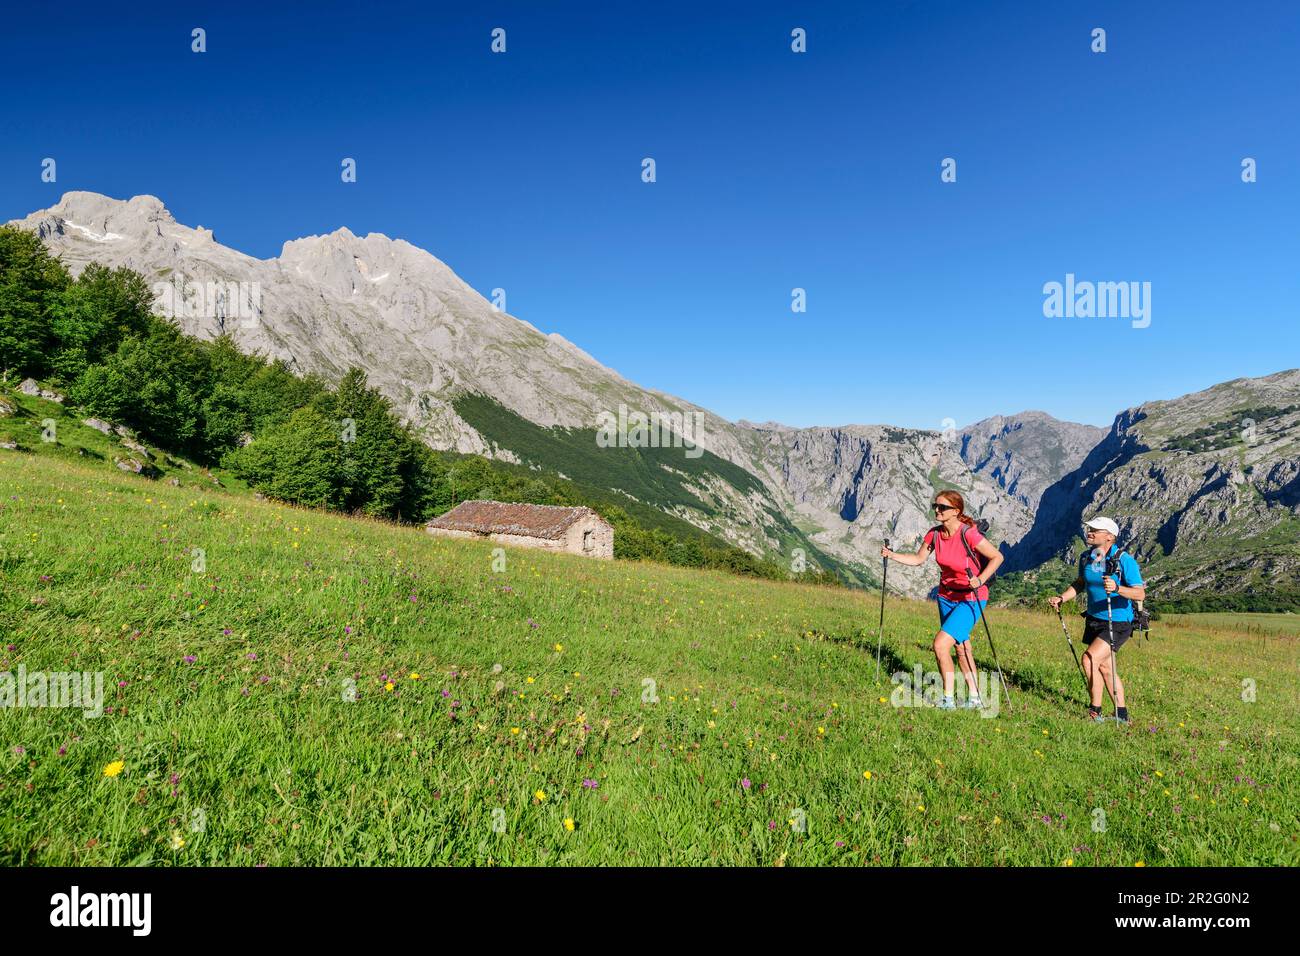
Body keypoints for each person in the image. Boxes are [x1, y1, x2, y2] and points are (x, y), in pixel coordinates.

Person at [881, 490, 1004, 709]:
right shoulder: (935, 534)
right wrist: (892, 555)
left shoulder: (969, 534)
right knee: (961, 646)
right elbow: (919, 559)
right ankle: (975, 698)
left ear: (956, 511)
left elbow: (997, 557)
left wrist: (981, 579)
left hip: (972, 598)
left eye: (942, 507)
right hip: (946, 597)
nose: (937, 510)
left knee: (940, 645)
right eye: (935, 506)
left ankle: (947, 699)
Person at [1047, 516, 1146, 723]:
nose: (1089, 532)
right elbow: (1081, 583)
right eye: (1089, 528)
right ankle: (1122, 715)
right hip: (1094, 618)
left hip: (1118, 621)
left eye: (1095, 529)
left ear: (1110, 537)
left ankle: (1095, 711)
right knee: (1105, 667)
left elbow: (1140, 594)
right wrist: (1062, 598)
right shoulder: (1086, 557)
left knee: (1089, 659)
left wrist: (1118, 588)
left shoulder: (1124, 560)